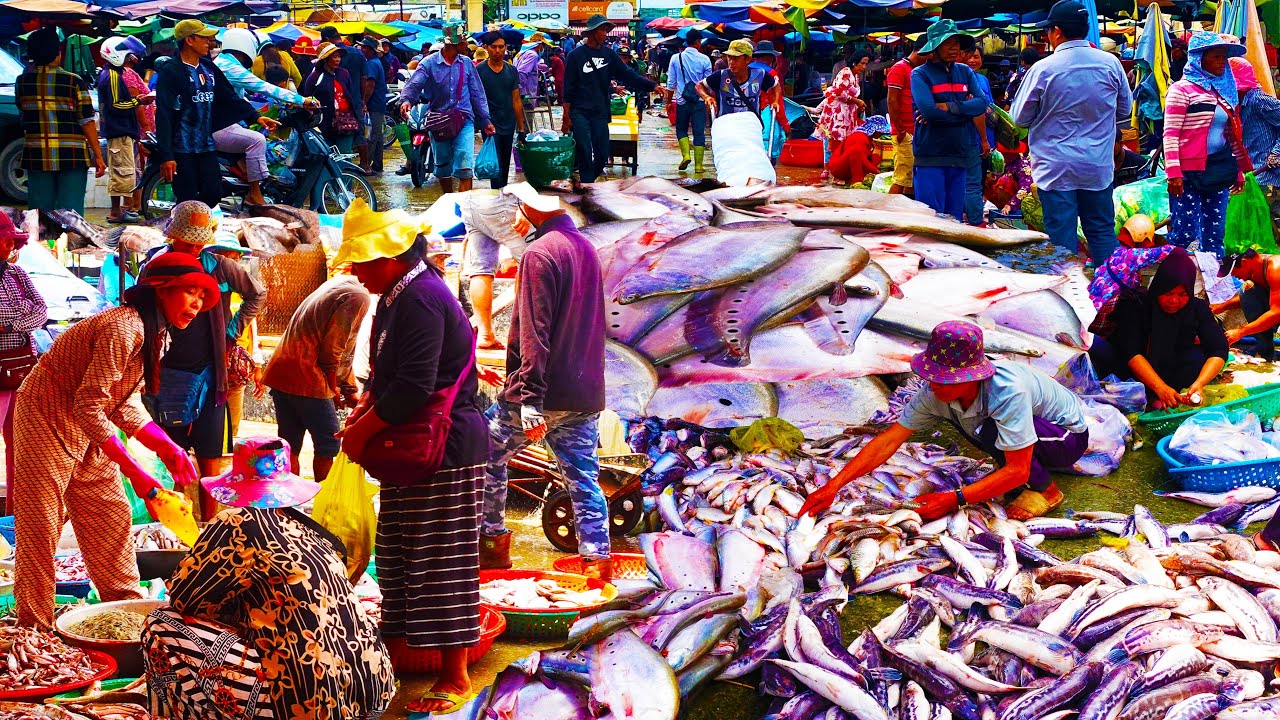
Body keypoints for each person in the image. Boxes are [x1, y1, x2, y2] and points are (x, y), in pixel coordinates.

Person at [333, 199, 487, 714]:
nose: (355, 272)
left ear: (389, 258)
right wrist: (361, 413)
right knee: (400, 554)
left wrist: (361, 434)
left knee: (441, 560)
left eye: (361, 262)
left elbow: (415, 386)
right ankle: (396, 658)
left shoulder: (421, 298)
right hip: (412, 451)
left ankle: (455, 674)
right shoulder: (399, 296)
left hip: (446, 449)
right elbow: (388, 378)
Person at [14, 253, 208, 628]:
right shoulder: (123, 327)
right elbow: (89, 406)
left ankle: (128, 613)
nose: (197, 303)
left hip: (89, 425)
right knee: (41, 525)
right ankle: (35, 628)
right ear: (161, 290)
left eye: (202, 296)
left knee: (111, 514)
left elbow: (123, 403)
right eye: (190, 292)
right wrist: (137, 474)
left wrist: (167, 447)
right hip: (46, 414)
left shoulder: (158, 335)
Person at [142, 436, 395, 719]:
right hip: (373, 689)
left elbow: (183, 598)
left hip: (311, 704)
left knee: (159, 625)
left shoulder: (237, 522)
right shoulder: (305, 526)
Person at [800, 321, 1089, 522]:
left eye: (947, 378)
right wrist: (834, 485)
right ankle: (1022, 468)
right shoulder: (934, 392)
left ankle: (1047, 491)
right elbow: (889, 440)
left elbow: (1018, 470)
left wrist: (954, 499)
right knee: (977, 425)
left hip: (1067, 438)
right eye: (933, 376)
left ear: (973, 376)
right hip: (1032, 434)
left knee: (989, 430)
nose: (936, 385)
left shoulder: (1007, 391)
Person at [480, 183, 610, 580]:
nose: (514, 215)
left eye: (518, 205)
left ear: (532, 208)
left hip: (544, 392)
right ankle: (597, 566)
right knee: (584, 479)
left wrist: (530, 399)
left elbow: (535, 331)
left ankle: (491, 549)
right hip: (584, 392)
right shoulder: (585, 248)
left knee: (483, 455)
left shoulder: (539, 253)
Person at [144, 201, 265, 518]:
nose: (194, 248)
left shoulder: (221, 267)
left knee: (210, 459)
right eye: (187, 242)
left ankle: (209, 527)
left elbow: (257, 294)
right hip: (167, 375)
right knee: (173, 459)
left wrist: (232, 331)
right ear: (173, 235)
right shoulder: (156, 266)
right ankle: (174, 528)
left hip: (211, 376)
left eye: (199, 242)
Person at [1011, 0, 1132, 264]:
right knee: (1101, 231)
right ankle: (1111, 286)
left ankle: (1068, 287)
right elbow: (1124, 110)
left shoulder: (1043, 69)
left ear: (1056, 31)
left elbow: (1019, 117)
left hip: (1056, 168)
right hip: (1096, 166)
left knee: (1062, 239)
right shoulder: (1111, 64)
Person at [262, 275, 370, 482]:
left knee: (289, 444)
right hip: (309, 376)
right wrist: (333, 389)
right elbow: (333, 350)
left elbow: (344, 349)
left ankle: (290, 500)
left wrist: (348, 388)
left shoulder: (340, 284)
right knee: (328, 445)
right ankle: (323, 499)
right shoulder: (358, 296)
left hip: (283, 372)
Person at [1090, 248, 1228, 408]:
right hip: (1134, 372)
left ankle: (1174, 394)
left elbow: (1219, 348)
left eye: (1182, 295)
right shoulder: (1137, 305)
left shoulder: (1196, 308)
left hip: (1172, 369)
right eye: (1168, 293)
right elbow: (1131, 352)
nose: (1174, 301)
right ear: (1158, 288)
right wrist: (1159, 387)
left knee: (1198, 356)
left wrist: (1200, 383)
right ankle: (1149, 398)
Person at [153, 20, 268, 208]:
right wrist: (166, 156)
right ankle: (183, 221)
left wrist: (255, 117)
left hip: (206, 146)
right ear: (189, 40)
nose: (210, 42)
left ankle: (190, 218)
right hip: (182, 148)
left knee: (214, 193)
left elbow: (228, 96)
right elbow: (164, 114)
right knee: (187, 197)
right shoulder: (171, 71)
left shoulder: (209, 68)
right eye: (204, 38)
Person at [1163, 32, 1250, 258]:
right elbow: (1170, 134)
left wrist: (1237, 171)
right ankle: (1173, 270)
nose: (1222, 62)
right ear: (1199, 59)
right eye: (1216, 57)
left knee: (1215, 231)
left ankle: (1212, 274)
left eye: (1224, 57)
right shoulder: (1181, 90)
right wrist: (1174, 173)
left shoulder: (1224, 90)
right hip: (1187, 172)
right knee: (1185, 231)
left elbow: (1230, 135)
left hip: (1217, 167)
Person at [15, 26, 105, 215]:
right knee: (70, 213)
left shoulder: (22, 81)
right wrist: (98, 155)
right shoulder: (73, 81)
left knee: (39, 213)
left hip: (36, 153)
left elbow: (23, 112)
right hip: (71, 154)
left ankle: (42, 235)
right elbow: (87, 121)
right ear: (57, 52)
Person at [400, 22, 495, 194]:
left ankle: (463, 206)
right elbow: (415, 84)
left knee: (465, 168)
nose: (466, 44)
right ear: (454, 43)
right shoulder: (428, 63)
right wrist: (406, 100)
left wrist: (485, 120)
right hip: (438, 120)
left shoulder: (466, 63)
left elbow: (477, 93)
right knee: (443, 169)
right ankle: (449, 200)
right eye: (463, 41)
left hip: (464, 120)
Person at [562, 15, 656, 185]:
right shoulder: (575, 55)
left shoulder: (609, 55)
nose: (605, 33)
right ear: (591, 32)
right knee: (584, 152)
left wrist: (652, 86)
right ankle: (587, 187)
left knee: (602, 154)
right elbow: (568, 88)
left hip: (600, 111)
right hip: (579, 111)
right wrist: (566, 116)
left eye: (606, 30)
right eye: (602, 30)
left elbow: (629, 75)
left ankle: (588, 182)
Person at [909, 20, 988, 221]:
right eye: (947, 43)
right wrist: (965, 113)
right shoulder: (920, 74)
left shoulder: (965, 72)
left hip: (959, 154)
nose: (954, 48)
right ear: (934, 47)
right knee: (930, 219)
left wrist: (950, 107)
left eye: (956, 43)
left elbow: (982, 104)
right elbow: (930, 112)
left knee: (954, 220)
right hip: (930, 156)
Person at [213, 28, 296, 206]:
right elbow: (264, 87)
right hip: (219, 124)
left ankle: (248, 179)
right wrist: (301, 100)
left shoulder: (223, 63)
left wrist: (256, 117)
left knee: (260, 137)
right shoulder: (230, 67)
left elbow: (238, 99)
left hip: (227, 120)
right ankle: (255, 193)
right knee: (258, 141)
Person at [0, 214, 45, 515]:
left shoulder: (17, 274)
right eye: (5, 240)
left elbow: (41, 311)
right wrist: (20, 312)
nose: (9, 245)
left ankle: (14, 516)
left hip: (19, 372)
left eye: (11, 241)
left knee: (20, 446)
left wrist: (9, 323)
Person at [98, 36, 151, 224]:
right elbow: (116, 105)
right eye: (128, 55)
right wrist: (139, 101)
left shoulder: (113, 73)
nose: (131, 59)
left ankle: (119, 211)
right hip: (119, 131)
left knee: (123, 172)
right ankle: (116, 212)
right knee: (122, 172)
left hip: (120, 130)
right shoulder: (112, 76)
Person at [477, 31, 526, 190]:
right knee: (495, 162)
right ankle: (496, 194)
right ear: (486, 48)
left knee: (505, 162)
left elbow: (516, 100)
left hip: (508, 123)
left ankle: (502, 193)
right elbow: (476, 99)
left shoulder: (511, 70)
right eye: (493, 47)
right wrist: (482, 121)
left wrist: (521, 129)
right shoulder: (479, 71)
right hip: (490, 124)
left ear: (505, 47)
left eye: (501, 47)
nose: (497, 51)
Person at [1212, 250, 1280, 361]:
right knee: (1247, 291)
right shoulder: (1256, 269)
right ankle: (1265, 350)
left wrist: (1240, 332)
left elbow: (1276, 312)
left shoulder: (1275, 269)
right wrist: (1221, 307)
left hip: (1277, 311)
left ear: (1244, 263)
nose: (1238, 278)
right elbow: (1246, 298)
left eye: (1236, 274)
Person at [321, 27, 370, 173]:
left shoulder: (329, 60)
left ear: (326, 40)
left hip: (335, 104)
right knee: (359, 133)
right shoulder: (357, 53)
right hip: (354, 101)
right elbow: (364, 79)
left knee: (335, 140)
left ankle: (339, 172)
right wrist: (362, 99)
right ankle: (365, 165)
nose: (337, 59)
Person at [663, 28, 712, 174]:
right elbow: (708, 84)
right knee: (699, 132)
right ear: (697, 42)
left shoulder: (675, 58)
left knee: (681, 129)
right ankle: (698, 166)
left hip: (681, 100)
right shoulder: (705, 59)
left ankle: (686, 156)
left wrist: (668, 101)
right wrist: (708, 99)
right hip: (699, 101)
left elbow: (671, 82)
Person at [1230, 57, 1280, 189]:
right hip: (1252, 173)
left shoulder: (1259, 100)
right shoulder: (1235, 105)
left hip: (1269, 175)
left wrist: (1276, 152)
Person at [696, 40, 776, 121]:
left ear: (747, 59)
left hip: (751, 123)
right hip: (726, 123)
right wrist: (706, 97)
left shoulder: (759, 74)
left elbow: (776, 85)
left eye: (736, 58)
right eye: (729, 57)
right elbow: (699, 85)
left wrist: (775, 101)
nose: (731, 62)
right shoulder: (721, 75)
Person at [303, 43, 360, 153]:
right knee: (328, 154)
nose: (338, 59)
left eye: (339, 56)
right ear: (326, 59)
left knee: (345, 154)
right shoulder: (315, 77)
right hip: (325, 123)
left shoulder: (344, 74)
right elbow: (308, 97)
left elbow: (350, 94)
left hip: (346, 121)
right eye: (335, 57)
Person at [816, 64, 868, 181]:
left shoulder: (856, 77)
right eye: (862, 63)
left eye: (866, 63)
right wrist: (856, 101)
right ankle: (832, 172)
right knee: (833, 144)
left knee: (844, 144)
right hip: (837, 114)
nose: (864, 67)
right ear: (854, 63)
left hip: (848, 114)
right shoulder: (846, 72)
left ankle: (839, 172)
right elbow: (839, 92)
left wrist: (857, 104)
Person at [885, 39, 923, 195]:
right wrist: (900, 130)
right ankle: (888, 209)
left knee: (910, 178)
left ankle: (906, 207)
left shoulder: (914, 70)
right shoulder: (900, 68)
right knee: (901, 178)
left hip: (913, 131)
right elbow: (891, 100)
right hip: (904, 132)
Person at [964, 47, 995, 226]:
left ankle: (973, 216)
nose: (972, 61)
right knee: (972, 182)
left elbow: (990, 108)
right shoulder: (964, 78)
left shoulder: (983, 80)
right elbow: (976, 110)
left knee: (979, 178)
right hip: (972, 137)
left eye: (976, 57)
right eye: (969, 56)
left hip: (985, 138)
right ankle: (973, 220)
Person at [360, 37, 388, 174]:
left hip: (374, 104)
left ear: (371, 50)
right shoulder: (375, 62)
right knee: (377, 135)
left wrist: (364, 102)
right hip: (378, 103)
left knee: (371, 136)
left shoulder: (372, 64)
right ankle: (377, 164)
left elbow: (370, 85)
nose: (362, 49)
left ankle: (366, 165)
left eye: (364, 47)